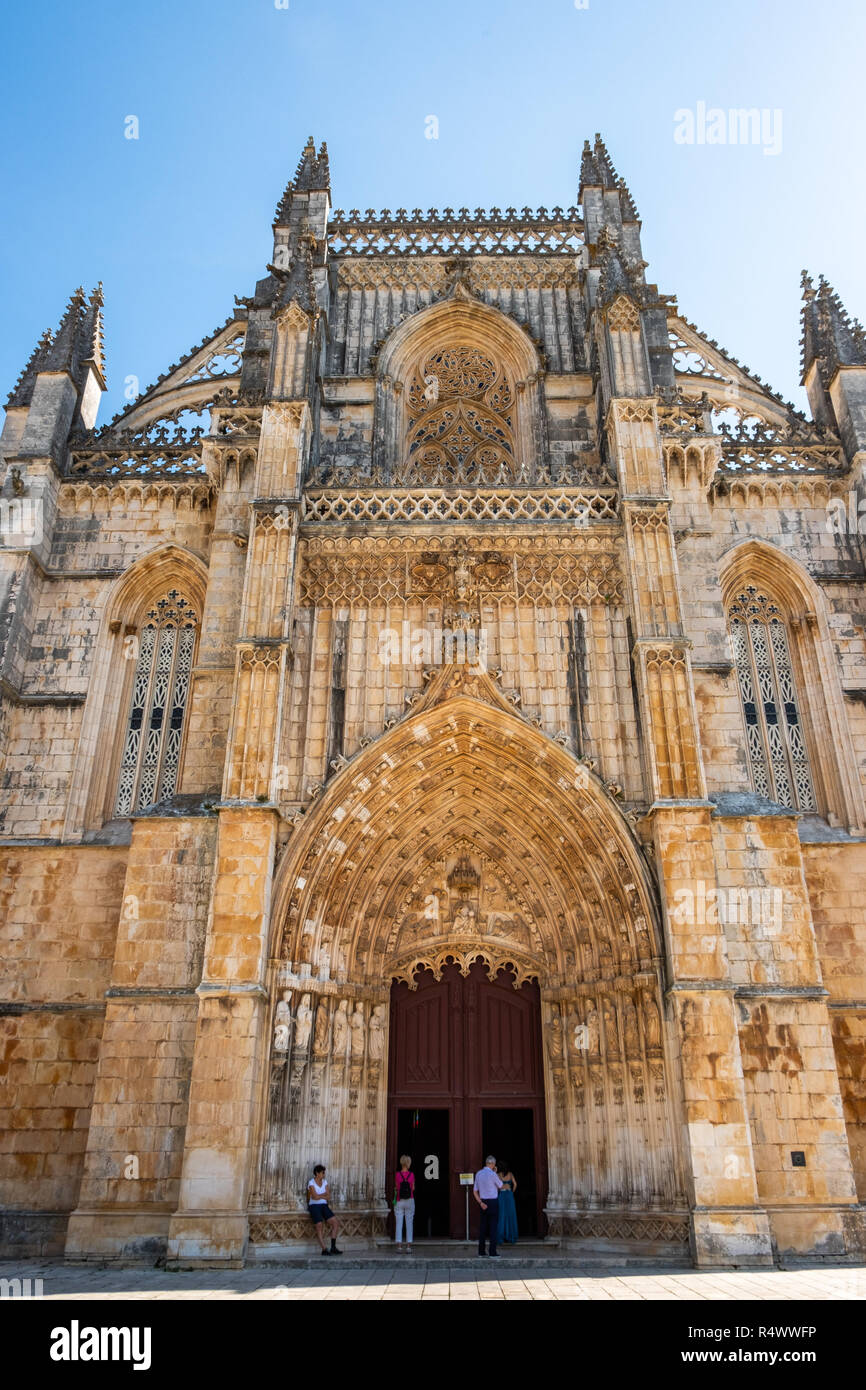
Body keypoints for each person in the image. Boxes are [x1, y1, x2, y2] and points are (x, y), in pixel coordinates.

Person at [307, 1164, 342, 1255]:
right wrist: (323, 1195)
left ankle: (333, 1247)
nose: (324, 1174)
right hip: (314, 1206)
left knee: (335, 1223)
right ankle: (324, 1249)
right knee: (319, 1226)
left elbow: (328, 1196)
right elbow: (314, 1197)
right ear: (317, 1173)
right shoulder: (311, 1182)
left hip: (324, 1205)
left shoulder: (325, 1182)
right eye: (322, 1172)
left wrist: (320, 1196)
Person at [473, 1154, 503, 1257]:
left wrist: (480, 1202)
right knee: (493, 1228)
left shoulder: (478, 1174)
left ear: (486, 1163)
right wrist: (495, 1173)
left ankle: (481, 1252)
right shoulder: (493, 1174)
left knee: (483, 1228)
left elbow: (475, 1191)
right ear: (493, 1164)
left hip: (483, 1202)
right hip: (493, 1203)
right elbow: (500, 1185)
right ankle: (492, 1252)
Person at [393, 1153, 416, 1254]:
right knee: (409, 1222)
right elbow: (413, 1188)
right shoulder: (412, 1175)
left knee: (399, 1223)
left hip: (399, 1200)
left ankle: (399, 1246)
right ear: (408, 1163)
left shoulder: (397, 1175)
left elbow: (397, 1187)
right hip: (410, 1199)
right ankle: (408, 1246)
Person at [497, 1162, 518, 1245]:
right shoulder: (510, 1174)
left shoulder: (498, 1175)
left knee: (501, 1215)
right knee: (510, 1214)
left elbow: (497, 1186)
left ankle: (501, 1236)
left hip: (502, 1195)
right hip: (509, 1195)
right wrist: (512, 1191)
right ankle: (511, 1235)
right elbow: (515, 1184)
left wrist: (500, 1189)